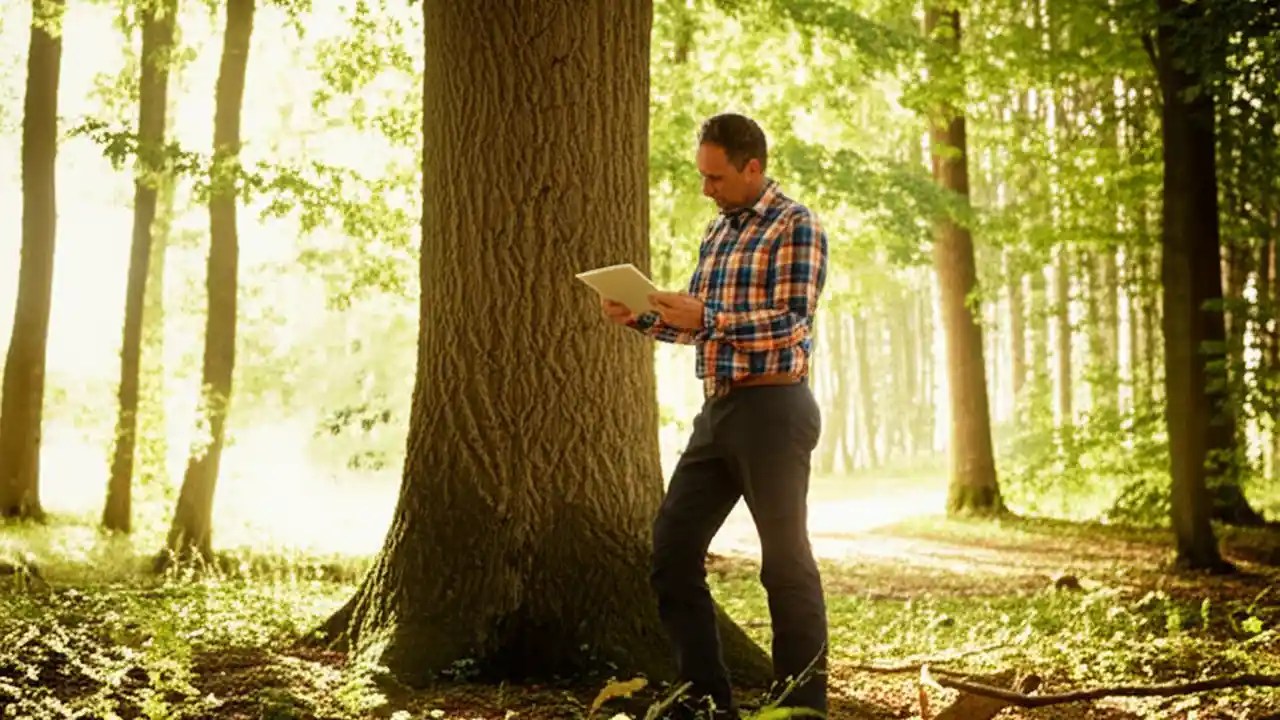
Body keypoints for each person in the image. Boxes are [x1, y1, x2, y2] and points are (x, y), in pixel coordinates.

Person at [602, 113, 830, 719]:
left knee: (784, 563)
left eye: (717, 177)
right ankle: (704, 702)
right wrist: (644, 316)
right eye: (702, 177)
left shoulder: (795, 225)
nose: (708, 188)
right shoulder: (718, 232)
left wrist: (703, 316)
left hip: (775, 408)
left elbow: (790, 323)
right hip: (720, 409)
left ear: (752, 167)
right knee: (671, 552)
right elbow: (699, 327)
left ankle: (801, 707)